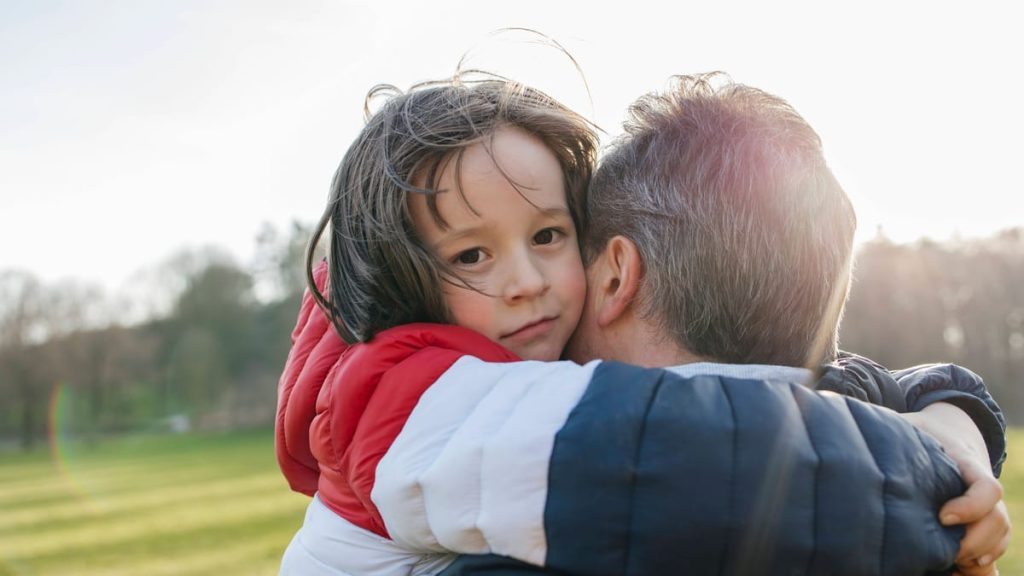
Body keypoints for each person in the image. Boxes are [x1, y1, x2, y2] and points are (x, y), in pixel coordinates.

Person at [276, 73, 1008, 576]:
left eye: (551, 236)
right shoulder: (409, 395)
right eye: (471, 254)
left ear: (613, 271)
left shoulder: (524, 370)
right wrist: (935, 489)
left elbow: (849, 383)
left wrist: (953, 418)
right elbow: (689, 453)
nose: (528, 283)